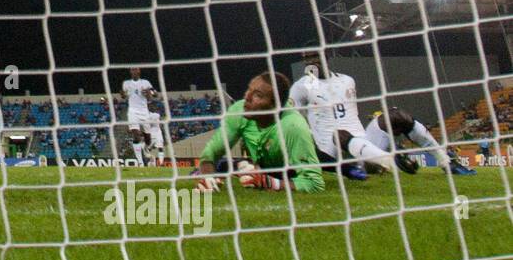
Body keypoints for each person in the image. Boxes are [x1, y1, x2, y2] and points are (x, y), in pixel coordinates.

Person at [195, 72, 325, 194]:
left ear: (274, 105)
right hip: (264, 163)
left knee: (331, 162)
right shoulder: (239, 110)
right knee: (239, 167)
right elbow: (211, 152)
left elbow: (315, 183)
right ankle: (240, 165)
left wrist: (269, 182)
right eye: (249, 90)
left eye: (258, 95)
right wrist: (208, 177)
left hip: (293, 164)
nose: (247, 97)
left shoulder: (293, 126)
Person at [287, 51, 369, 181]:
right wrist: (309, 137)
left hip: (359, 137)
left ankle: (382, 159)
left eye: (314, 56)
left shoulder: (347, 80)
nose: (310, 61)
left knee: (392, 116)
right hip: (329, 148)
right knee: (340, 135)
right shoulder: (301, 86)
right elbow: (291, 117)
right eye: (306, 58)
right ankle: (370, 162)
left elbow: (353, 113)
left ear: (326, 57)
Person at [349, 108, 477, 176]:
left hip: (387, 127)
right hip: (388, 126)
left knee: (403, 121)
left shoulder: (372, 136)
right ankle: (448, 163)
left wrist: (398, 156)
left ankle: (448, 162)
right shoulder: (377, 134)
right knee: (370, 165)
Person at [121, 68, 158, 164]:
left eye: (135, 70)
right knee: (136, 134)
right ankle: (140, 161)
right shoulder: (126, 83)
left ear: (139, 71)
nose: (133, 71)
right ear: (130, 72)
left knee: (148, 139)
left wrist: (150, 93)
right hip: (132, 111)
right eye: (132, 70)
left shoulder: (145, 82)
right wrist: (122, 94)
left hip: (144, 112)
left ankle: (145, 148)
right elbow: (123, 95)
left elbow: (155, 94)